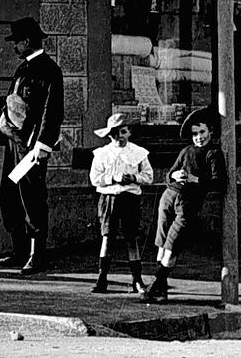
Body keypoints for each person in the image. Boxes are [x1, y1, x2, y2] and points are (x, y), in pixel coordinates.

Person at [0, 16, 63, 276]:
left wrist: (41, 146)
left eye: (17, 42)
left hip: (30, 147)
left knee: (31, 199)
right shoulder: (24, 69)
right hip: (14, 143)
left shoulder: (49, 70)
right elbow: (12, 104)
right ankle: (20, 252)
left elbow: (51, 112)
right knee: (10, 196)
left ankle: (36, 255)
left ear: (28, 41)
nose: (14, 47)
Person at [142, 106, 226, 304]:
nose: (199, 138)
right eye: (195, 134)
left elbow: (218, 182)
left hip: (188, 204)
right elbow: (169, 173)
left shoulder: (213, 154)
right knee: (162, 244)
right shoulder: (186, 151)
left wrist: (194, 179)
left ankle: (156, 285)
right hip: (169, 197)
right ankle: (161, 291)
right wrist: (174, 175)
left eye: (202, 132)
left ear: (210, 132)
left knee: (172, 244)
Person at [88, 112, 154, 294]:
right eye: (114, 134)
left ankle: (137, 279)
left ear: (129, 132)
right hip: (109, 198)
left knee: (131, 238)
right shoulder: (102, 154)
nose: (119, 137)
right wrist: (113, 178)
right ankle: (102, 277)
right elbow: (95, 178)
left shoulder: (138, 153)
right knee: (108, 237)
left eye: (123, 132)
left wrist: (133, 177)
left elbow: (149, 176)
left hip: (130, 198)